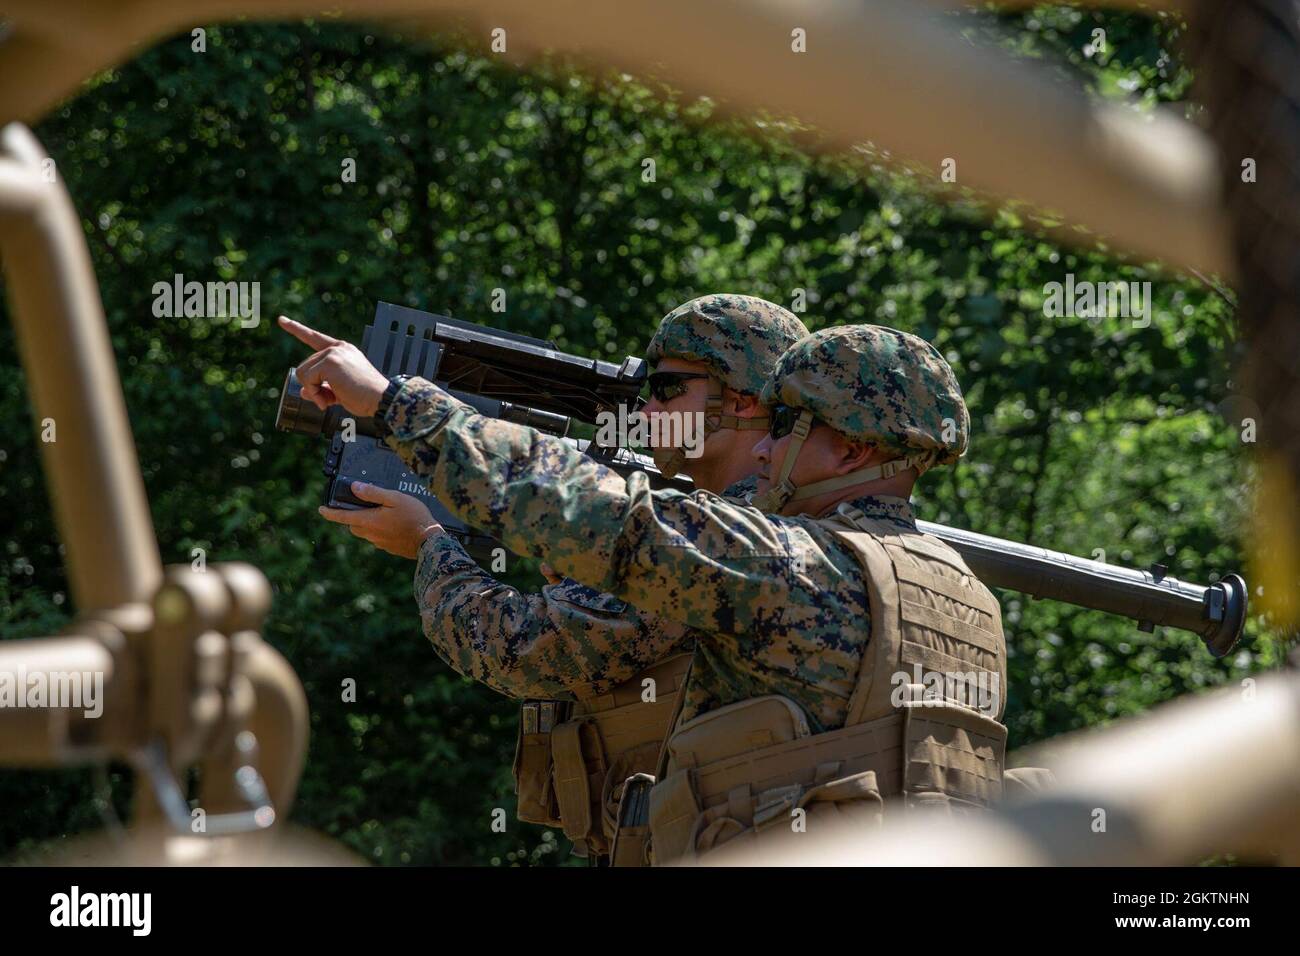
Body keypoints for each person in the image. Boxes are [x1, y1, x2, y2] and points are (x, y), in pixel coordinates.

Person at [280, 317, 1008, 865]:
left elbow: (598, 518)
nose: (761, 447)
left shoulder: (787, 567)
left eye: (786, 426)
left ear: (851, 448)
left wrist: (394, 404)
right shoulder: (967, 598)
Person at [303, 295, 809, 862]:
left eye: (668, 389)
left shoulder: (724, 540)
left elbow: (521, 648)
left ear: (740, 403)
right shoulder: (758, 522)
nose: (644, 413)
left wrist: (427, 545)